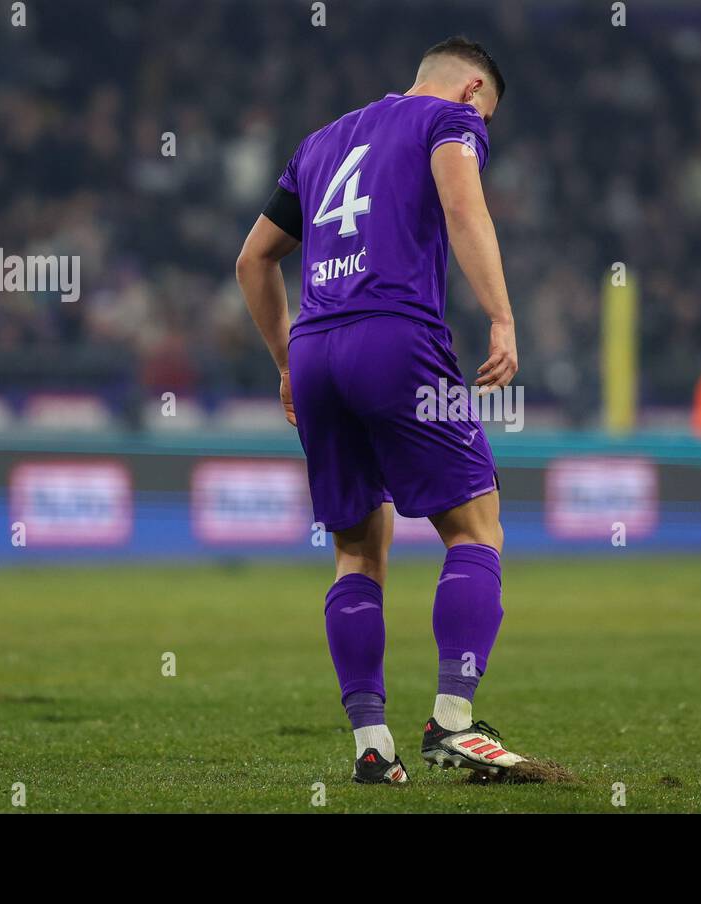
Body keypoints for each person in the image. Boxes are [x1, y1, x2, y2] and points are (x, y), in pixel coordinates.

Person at [236, 37, 524, 783]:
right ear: (470, 92)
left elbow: (253, 259)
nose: (483, 126)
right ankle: (454, 721)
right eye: (486, 110)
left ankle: (372, 743)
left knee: (358, 550)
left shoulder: (320, 142)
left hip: (317, 347)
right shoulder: (451, 122)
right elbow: (464, 208)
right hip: (397, 336)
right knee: (475, 526)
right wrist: (501, 317)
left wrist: (285, 362)